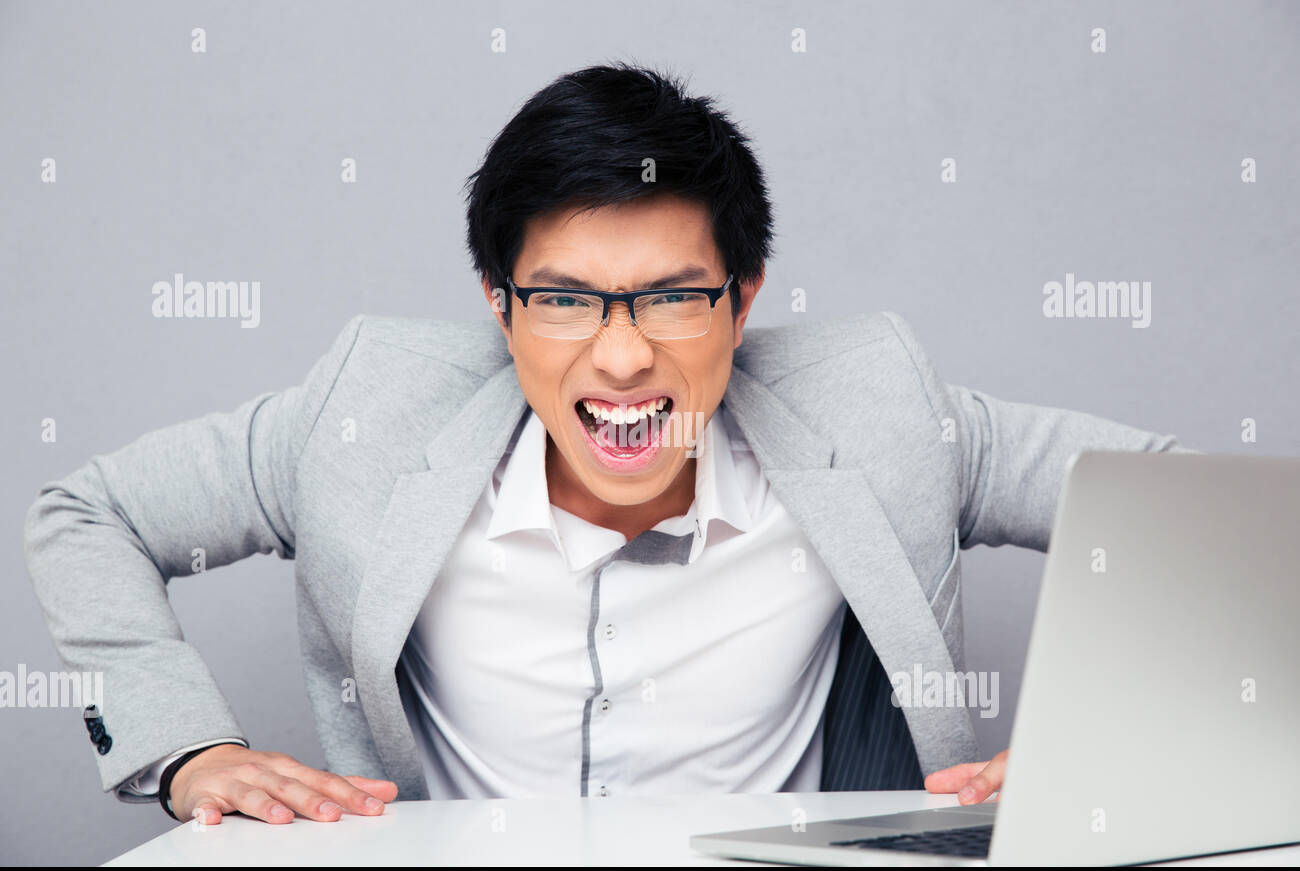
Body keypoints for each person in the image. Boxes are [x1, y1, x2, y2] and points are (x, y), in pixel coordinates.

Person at [23, 61, 1189, 826]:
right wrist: (186, 747)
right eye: (567, 300)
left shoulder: (881, 406)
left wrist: (1113, 752)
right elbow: (91, 512)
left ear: (742, 299)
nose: (622, 358)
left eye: (673, 297)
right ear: (499, 307)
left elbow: (1201, 520)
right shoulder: (363, 413)